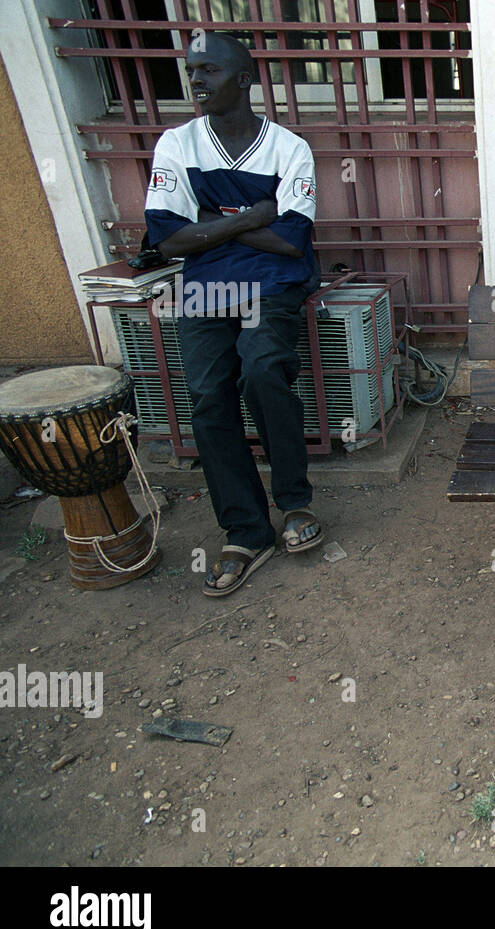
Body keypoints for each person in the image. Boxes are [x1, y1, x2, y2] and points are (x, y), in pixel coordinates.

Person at [145, 33, 323, 597]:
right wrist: (252, 216)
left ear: (244, 79)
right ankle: (246, 529)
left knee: (263, 370)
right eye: (190, 70)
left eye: (209, 71)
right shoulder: (177, 145)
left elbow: (293, 240)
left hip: (271, 283)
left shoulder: (288, 148)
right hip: (204, 285)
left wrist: (209, 224)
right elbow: (169, 240)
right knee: (207, 394)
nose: (195, 81)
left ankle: (294, 503)